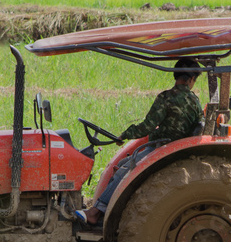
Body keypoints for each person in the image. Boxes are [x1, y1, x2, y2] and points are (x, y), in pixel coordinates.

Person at [77, 58, 203, 225]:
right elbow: (199, 124)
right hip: (174, 147)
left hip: (164, 148)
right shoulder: (195, 101)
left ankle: (95, 212)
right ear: (191, 79)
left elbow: (148, 126)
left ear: (176, 76)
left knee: (124, 169)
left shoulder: (167, 98)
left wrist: (126, 134)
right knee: (123, 163)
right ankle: (107, 212)